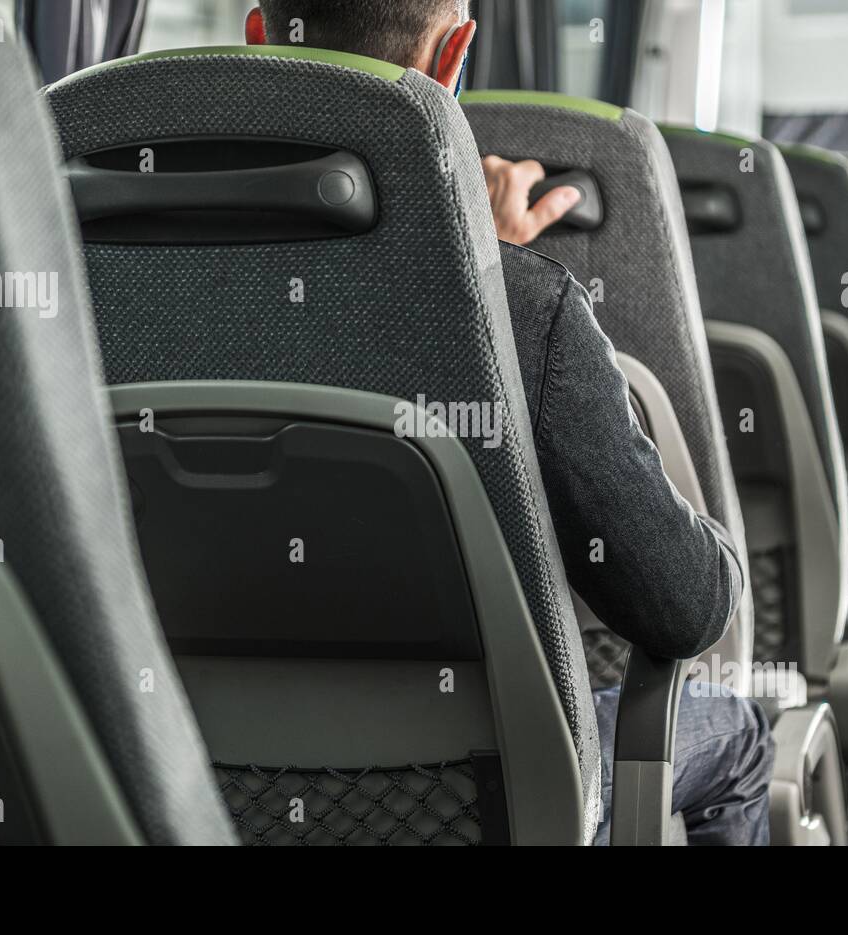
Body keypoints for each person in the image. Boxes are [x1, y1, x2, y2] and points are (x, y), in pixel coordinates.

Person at [247, 0, 773, 846]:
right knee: (735, 734)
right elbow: (685, 609)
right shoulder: (526, 313)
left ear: (257, 38)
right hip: (471, 801)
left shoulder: (112, 295)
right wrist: (489, 282)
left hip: (188, 786)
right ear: (454, 50)